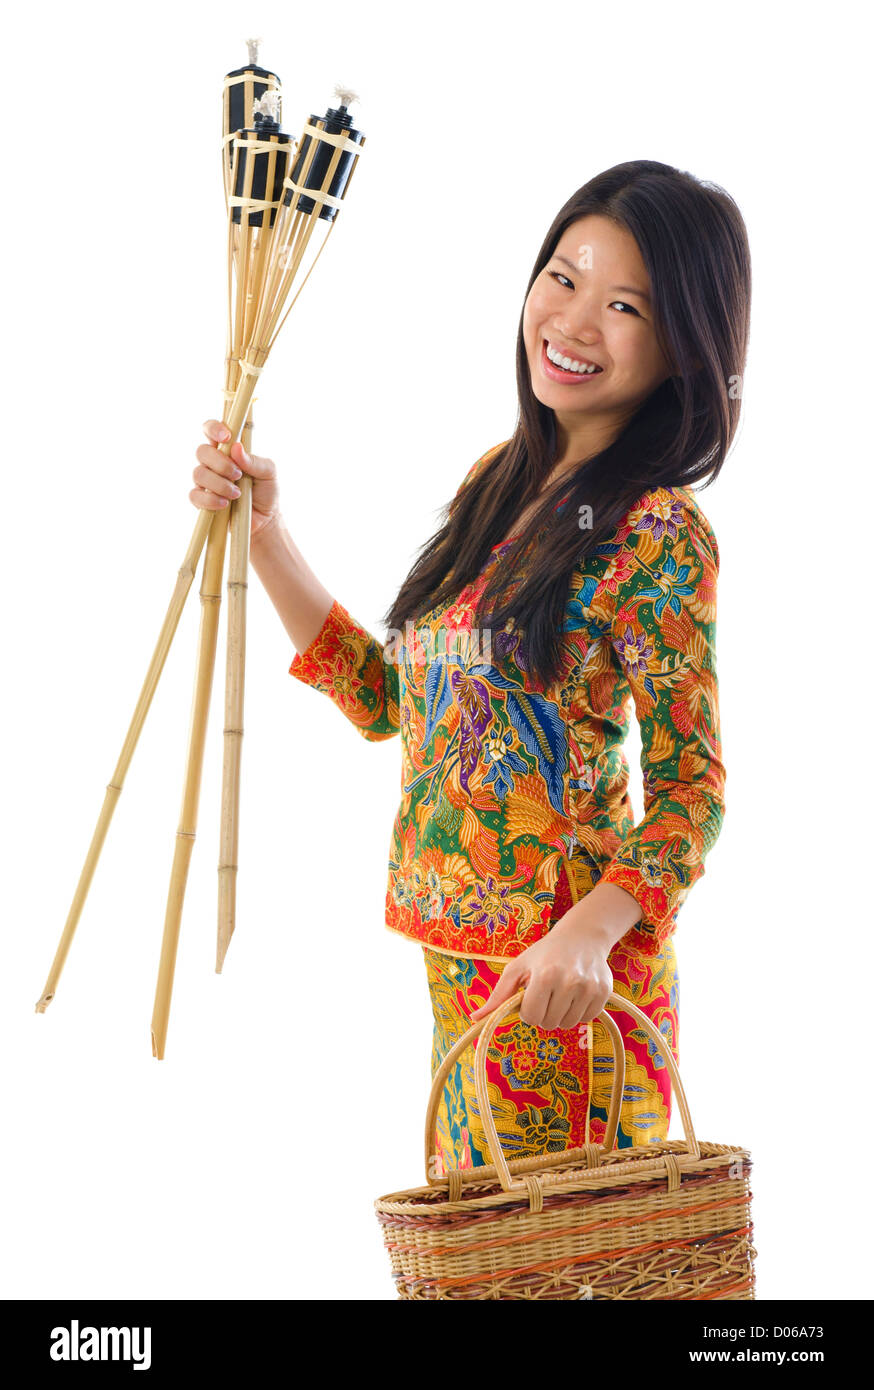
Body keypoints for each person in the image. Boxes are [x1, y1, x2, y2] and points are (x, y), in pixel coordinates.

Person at [189, 159, 751, 1178]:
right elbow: (392, 698)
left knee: (561, 1276)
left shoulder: (656, 531)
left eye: (624, 304)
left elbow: (690, 791)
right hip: (462, 978)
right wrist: (265, 535)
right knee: (484, 1268)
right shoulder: (498, 481)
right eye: (562, 276)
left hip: (567, 995)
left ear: (681, 349)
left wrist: (586, 935)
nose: (574, 321)